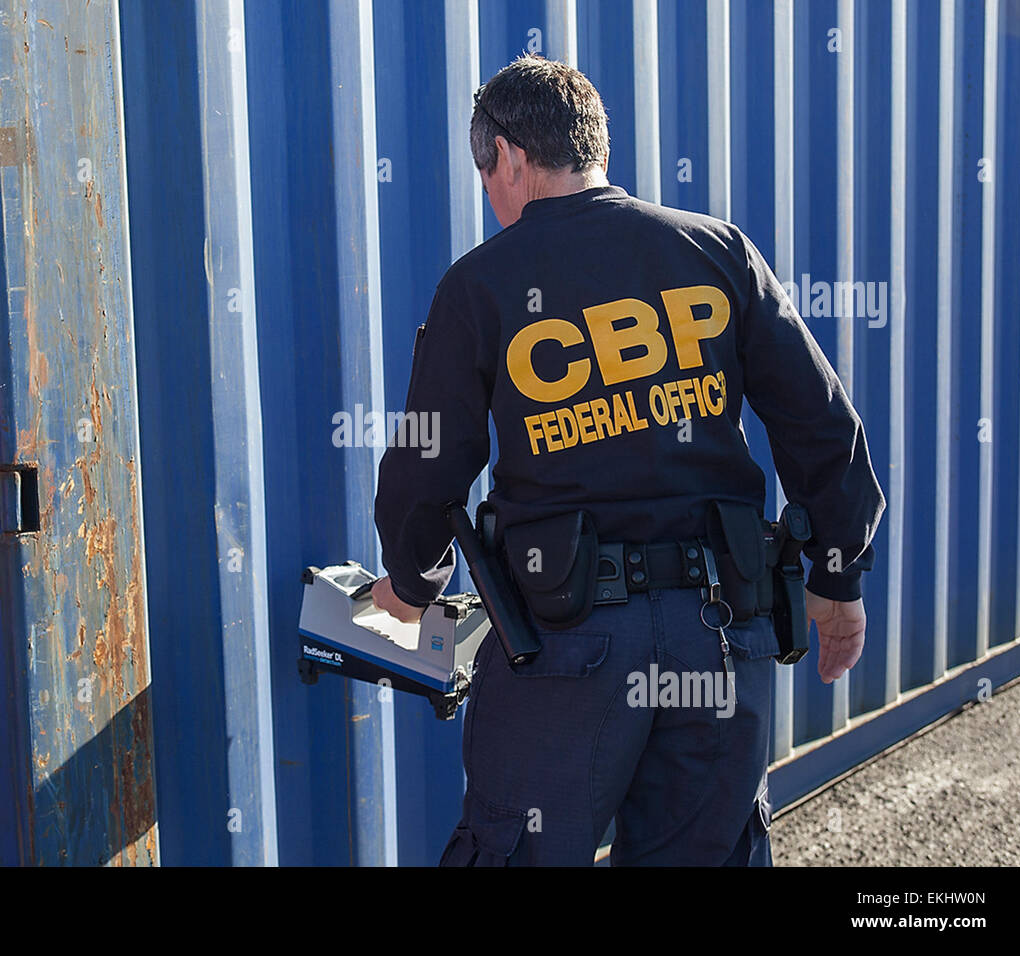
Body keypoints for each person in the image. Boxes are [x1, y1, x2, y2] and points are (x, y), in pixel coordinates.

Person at [370, 54, 884, 866]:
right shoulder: (716, 251)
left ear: (507, 155)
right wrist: (836, 578)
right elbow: (824, 426)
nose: (488, 193)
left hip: (568, 646)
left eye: (484, 172)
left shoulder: (481, 285)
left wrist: (409, 581)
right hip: (721, 633)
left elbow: (430, 458)